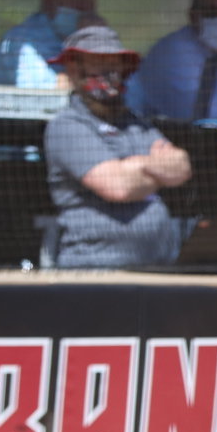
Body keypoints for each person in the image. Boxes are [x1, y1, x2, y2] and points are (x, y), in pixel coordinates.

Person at [44, 26, 192, 269]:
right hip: (95, 270)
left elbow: (181, 167)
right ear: (73, 69)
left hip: (157, 268)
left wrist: (134, 167)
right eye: (99, 64)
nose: (109, 74)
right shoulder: (66, 126)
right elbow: (117, 187)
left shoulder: (136, 124)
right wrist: (155, 170)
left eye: (115, 65)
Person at [0, 0, 97, 88]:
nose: (84, 5)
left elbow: (120, 85)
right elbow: (47, 93)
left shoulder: (95, 36)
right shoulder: (22, 41)